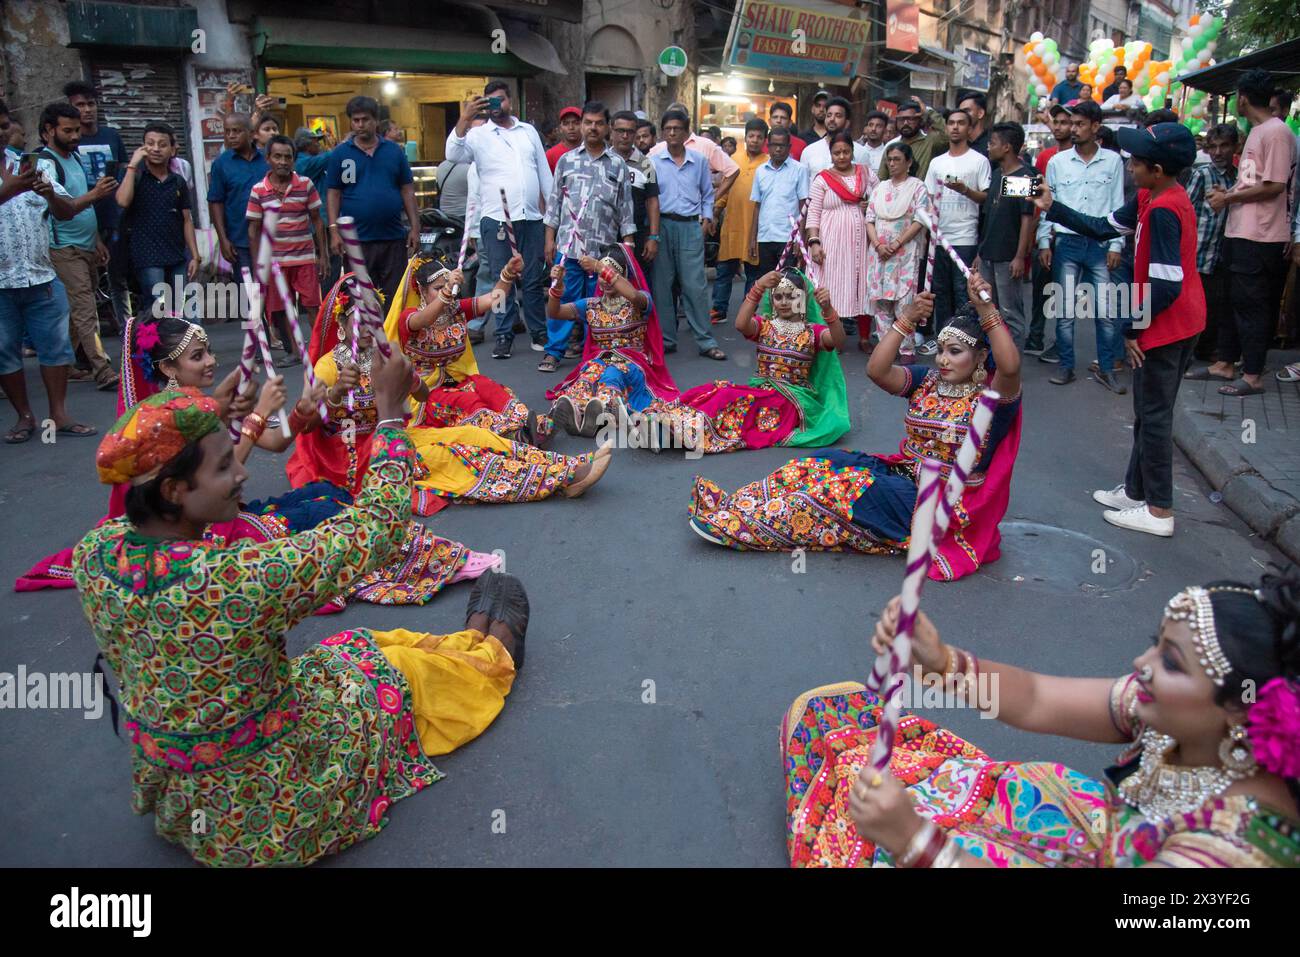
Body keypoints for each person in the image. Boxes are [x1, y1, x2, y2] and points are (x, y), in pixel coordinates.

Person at [73, 368, 535, 865]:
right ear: (172, 491)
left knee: (351, 648)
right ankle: (492, 653)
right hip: (271, 808)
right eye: (224, 468)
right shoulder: (234, 580)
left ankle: (465, 645)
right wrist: (390, 418)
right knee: (396, 679)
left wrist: (211, 408)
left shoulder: (93, 554)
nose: (242, 475)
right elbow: (377, 528)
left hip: (185, 801)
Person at [785, 571, 1300, 868]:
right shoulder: (1176, 719)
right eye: (1155, 646)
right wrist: (942, 663)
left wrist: (915, 842)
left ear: (1240, 707)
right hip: (1090, 835)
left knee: (874, 829)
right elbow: (1036, 699)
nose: (1142, 666)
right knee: (846, 749)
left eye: (1171, 663)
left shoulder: (1235, 849)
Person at [692, 273, 1022, 582]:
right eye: (940, 350)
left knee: (842, 489)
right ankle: (739, 504)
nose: (943, 360)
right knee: (821, 463)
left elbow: (1010, 366)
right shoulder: (929, 381)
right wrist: (904, 319)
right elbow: (877, 370)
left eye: (955, 352)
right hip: (904, 474)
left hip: (939, 501)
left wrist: (986, 309)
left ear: (980, 356)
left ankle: (743, 526)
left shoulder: (992, 399)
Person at [288, 272, 608, 507]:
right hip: (357, 456)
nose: (370, 329)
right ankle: (562, 479)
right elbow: (307, 423)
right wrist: (332, 396)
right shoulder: (328, 366)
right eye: (360, 322)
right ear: (342, 327)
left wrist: (410, 380)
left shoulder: (385, 357)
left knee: (475, 436)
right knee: (456, 459)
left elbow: (420, 399)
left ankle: (560, 463)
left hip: (396, 434)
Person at [1035, 122, 1205, 538]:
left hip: (1169, 323)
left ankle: (1160, 511)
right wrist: (1051, 206)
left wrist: (1130, 331)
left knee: (1156, 416)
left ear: (1158, 168)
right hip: (1168, 317)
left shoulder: (1165, 209)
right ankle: (1135, 492)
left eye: (1138, 162)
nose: (1130, 167)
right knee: (1147, 412)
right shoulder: (1151, 196)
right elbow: (1099, 227)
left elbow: (1166, 284)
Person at [1199, 69, 1295, 397]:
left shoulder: (1276, 132)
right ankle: (1224, 362)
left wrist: (1228, 198)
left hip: (1262, 236)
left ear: (1243, 98)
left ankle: (1252, 374)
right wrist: (1228, 198)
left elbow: (1275, 185)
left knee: (1253, 305)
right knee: (1231, 299)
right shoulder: (1255, 132)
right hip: (1239, 231)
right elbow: (1253, 180)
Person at [680, 267, 848, 453]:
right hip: (761, 392)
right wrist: (758, 287)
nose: (784, 302)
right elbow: (741, 324)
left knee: (730, 400)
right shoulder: (765, 325)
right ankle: (679, 423)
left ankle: (691, 430)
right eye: (778, 297)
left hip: (788, 401)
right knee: (718, 390)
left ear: (804, 299)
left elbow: (838, 342)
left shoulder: (812, 332)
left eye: (791, 297)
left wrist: (828, 309)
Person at [386, 253, 549, 443]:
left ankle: (532, 424)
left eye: (447, 287)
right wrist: (447, 292)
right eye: (437, 288)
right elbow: (425, 319)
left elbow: (495, 299)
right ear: (421, 290)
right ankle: (512, 435)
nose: (445, 292)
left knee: (488, 387)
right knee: (467, 402)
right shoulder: (410, 317)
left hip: (456, 380)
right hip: (425, 392)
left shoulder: (454, 309)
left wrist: (508, 273)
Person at [1, 139, 98, 443]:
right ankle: (24, 417)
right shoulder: (17, 177)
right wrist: (11, 188)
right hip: (1, 284)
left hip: (42, 277)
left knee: (56, 349)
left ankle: (59, 414)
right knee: (5, 354)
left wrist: (49, 195)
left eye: (3, 125)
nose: (4, 132)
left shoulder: (37, 165)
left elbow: (67, 211)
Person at [446, 81, 552, 356]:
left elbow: (544, 174)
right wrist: (466, 118)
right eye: (490, 101)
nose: (496, 106)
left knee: (532, 278)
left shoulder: (528, 132)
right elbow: (452, 153)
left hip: (530, 218)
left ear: (510, 101)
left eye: (500, 100)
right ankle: (503, 334)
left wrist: (552, 215)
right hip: (496, 218)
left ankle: (538, 331)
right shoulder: (478, 135)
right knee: (499, 279)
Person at [543, 244, 682, 438]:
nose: (606, 280)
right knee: (587, 376)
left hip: (632, 364)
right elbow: (554, 312)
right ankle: (579, 413)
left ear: (624, 275)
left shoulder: (640, 301)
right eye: (602, 276)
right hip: (600, 360)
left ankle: (603, 411)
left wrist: (600, 267)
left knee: (612, 374)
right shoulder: (591, 305)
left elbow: (632, 294)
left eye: (611, 274)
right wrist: (557, 287)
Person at [1036, 100, 1125, 389]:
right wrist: (1043, 242)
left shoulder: (1113, 161)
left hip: (1101, 244)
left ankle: (1107, 368)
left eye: (1079, 124)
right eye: (1071, 124)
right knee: (1064, 311)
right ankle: (1066, 367)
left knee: (1105, 312)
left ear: (1096, 127)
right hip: (1067, 243)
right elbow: (1049, 203)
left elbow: (1118, 204)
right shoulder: (1057, 162)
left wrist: (1116, 246)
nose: (1073, 129)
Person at [541, 101, 635, 370]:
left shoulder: (617, 164)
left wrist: (627, 248)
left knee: (599, 302)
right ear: (582, 125)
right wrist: (549, 239)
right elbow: (555, 203)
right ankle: (553, 351)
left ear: (607, 128)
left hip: (603, 252)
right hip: (569, 247)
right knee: (562, 295)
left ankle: (594, 353)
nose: (593, 128)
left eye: (598, 123)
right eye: (588, 122)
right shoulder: (566, 161)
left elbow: (625, 210)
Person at [36, 102, 119, 391]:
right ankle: (102, 368)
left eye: (77, 130)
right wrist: (96, 194)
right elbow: (64, 208)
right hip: (64, 249)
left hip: (85, 246)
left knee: (77, 310)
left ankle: (66, 363)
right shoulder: (46, 164)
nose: (75, 136)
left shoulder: (71, 158)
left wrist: (96, 241)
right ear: (49, 131)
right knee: (85, 309)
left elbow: (81, 204)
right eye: (68, 131)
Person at [325, 96, 419, 310]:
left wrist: (415, 227)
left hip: (392, 237)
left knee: (395, 297)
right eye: (355, 120)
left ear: (376, 121)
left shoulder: (394, 151)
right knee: (358, 297)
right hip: (356, 239)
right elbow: (333, 193)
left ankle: (391, 342)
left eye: (365, 119)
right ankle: (364, 342)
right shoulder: (341, 153)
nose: (360, 125)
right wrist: (334, 231)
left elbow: (407, 189)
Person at [650, 108, 726, 360]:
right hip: (662, 225)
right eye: (668, 129)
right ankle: (666, 339)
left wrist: (707, 219)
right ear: (663, 132)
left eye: (677, 129)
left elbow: (707, 193)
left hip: (690, 226)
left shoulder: (699, 161)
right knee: (662, 285)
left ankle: (706, 341)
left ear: (686, 133)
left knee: (695, 286)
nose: (672, 133)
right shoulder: (654, 160)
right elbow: (650, 198)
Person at [247, 134, 328, 368]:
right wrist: (258, 264)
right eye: (277, 156)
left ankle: (320, 351)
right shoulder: (258, 190)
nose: (283, 161)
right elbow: (253, 229)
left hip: (304, 258)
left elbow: (317, 220)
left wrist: (322, 255)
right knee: (281, 310)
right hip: (274, 262)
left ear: (294, 159)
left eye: (287, 157)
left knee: (313, 305)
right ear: (268, 158)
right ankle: (293, 351)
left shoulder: (306, 184)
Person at [115, 123, 199, 321]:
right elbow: (122, 200)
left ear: (172, 149)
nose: (155, 149)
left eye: (162, 145)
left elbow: (186, 219)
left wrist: (195, 256)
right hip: (147, 256)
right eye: (150, 144)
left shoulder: (178, 181)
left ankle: (195, 348)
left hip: (176, 254)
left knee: (187, 307)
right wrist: (132, 165)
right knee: (157, 309)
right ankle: (156, 350)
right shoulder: (135, 176)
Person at [64, 80, 129, 332]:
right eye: (80, 105)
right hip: (83, 219)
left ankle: (126, 328)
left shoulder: (111, 135)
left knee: (117, 277)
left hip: (113, 217)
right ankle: (89, 341)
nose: (87, 109)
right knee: (85, 284)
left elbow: (124, 172)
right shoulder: (70, 142)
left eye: (91, 103)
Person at [923, 109, 991, 337]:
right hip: (939, 239)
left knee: (964, 293)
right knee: (940, 292)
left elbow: (986, 197)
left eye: (961, 123)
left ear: (969, 129)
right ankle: (944, 338)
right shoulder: (936, 163)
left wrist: (965, 190)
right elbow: (929, 197)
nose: (954, 127)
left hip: (965, 238)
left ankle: (967, 339)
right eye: (951, 122)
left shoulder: (979, 161)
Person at [807, 130, 878, 345]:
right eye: (837, 152)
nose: (841, 156)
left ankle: (864, 338)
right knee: (831, 287)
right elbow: (813, 212)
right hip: (831, 241)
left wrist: (870, 206)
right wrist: (814, 242)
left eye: (846, 151)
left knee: (861, 286)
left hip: (861, 242)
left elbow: (882, 201)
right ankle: (831, 338)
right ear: (831, 154)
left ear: (852, 152)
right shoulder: (823, 179)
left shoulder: (867, 175)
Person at [969, 122, 1036, 349]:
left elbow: (1026, 218)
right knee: (988, 309)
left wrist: (1019, 256)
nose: (989, 147)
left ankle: (1012, 367)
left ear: (1006, 147)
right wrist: (981, 251)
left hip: (1008, 256)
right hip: (988, 254)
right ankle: (992, 361)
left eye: (993, 143)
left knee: (1010, 313)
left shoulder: (1023, 176)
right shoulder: (998, 174)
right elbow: (990, 215)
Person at [864, 143, 930, 361]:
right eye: (889, 159)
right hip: (879, 252)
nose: (892, 164)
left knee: (904, 303)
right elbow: (870, 219)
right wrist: (878, 245)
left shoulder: (918, 187)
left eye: (897, 159)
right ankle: (886, 347)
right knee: (882, 302)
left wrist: (897, 243)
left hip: (904, 252)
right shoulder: (880, 187)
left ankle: (906, 348)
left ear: (909, 162)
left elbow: (920, 220)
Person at [1183, 124, 1238, 363]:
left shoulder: (1238, 178)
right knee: (1192, 308)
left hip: (1221, 255)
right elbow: (1185, 210)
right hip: (1198, 253)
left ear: (1234, 147)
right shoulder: (1202, 174)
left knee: (1214, 306)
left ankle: (1204, 351)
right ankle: (1187, 355)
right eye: (1213, 146)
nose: (1218, 152)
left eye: (1224, 146)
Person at [1026, 104, 1075, 358]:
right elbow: (1036, 194)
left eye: (1065, 122)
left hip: (1070, 232)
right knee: (1040, 287)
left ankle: (1062, 343)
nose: (1059, 127)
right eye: (1055, 122)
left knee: (1065, 292)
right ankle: (1035, 336)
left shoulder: (1080, 158)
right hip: (1044, 230)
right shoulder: (1044, 156)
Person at [711, 118, 767, 325]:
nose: (754, 140)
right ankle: (719, 309)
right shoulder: (733, 159)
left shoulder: (767, 163)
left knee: (753, 272)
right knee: (724, 269)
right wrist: (716, 212)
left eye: (759, 137)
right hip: (733, 223)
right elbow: (724, 190)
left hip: (755, 227)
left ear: (764, 140)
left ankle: (748, 313)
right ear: (745, 137)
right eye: (751, 136)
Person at [207, 112, 268, 281]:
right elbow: (215, 202)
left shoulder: (267, 159)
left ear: (251, 134)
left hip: (271, 238)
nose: (231, 136)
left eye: (236, 131)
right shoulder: (221, 164)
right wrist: (223, 239)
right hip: (240, 241)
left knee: (274, 294)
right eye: (227, 132)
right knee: (248, 296)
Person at [649, 103, 740, 204]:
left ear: (687, 122)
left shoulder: (705, 145)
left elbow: (732, 170)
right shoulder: (657, 150)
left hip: (695, 214)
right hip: (663, 213)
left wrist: (711, 200)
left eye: (679, 118)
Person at [749, 128, 810, 276]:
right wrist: (752, 239)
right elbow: (757, 206)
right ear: (767, 146)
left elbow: (803, 206)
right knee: (767, 285)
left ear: (788, 148)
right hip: (765, 237)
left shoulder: (799, 170)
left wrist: (800, 239)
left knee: (789, 285)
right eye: (774, 145)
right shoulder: (760, 171)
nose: (777, 149)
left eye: (782, 145)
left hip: (788, 237)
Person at [610, 110, 660, 286]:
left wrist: (653, 237)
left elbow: (652, 200)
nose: (625, 136)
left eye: (630, 132)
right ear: (611, 131)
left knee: (637, 285)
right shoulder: (603, 160)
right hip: (606, 235)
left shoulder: (646, 163)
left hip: (638, 237)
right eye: (620, 131)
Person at [880, 97, 948, 182]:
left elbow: (947, 134)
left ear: (920, 120)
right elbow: (881, 179)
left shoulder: (930, 143)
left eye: (910, 119)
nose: (905, 123)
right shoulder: (891, 146)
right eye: (901, 119)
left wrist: (927, 112)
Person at [802, 97, 872, 178]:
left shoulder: (861, 153)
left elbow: (866, 183)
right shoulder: (809, 151)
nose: (832, 119)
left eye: (838, 116)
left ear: (847, 123)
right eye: (829, 115)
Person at [545, 106, 582, 173]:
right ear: (560, 128)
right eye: (566, 124)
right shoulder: (551, 155)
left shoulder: (591, 152)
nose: (571, 127)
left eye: (576, 123)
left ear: (583, 126)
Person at [957, 91, 990, 156]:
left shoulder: (992, 144)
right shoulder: (957, 143)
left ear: (980, 113)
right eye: (960, 111)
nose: (962, 115)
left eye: (967, 111)